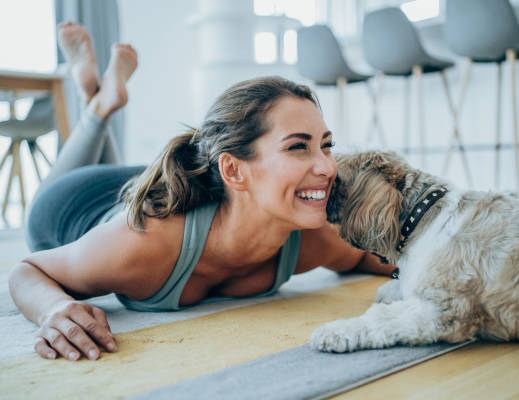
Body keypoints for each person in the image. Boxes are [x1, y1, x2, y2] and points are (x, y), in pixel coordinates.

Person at [8, 23, 396, 362]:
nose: (329, 166)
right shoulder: (145, 241)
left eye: (326, 145)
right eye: (298, 146)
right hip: (71, 203)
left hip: (148, 186)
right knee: (54, 201)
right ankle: (97, 108)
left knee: (135, 184)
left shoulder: (312, 240)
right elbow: (28, 270)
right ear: (232, 169)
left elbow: (382, 259)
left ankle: (97, 97)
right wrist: (54, 309)